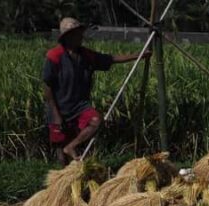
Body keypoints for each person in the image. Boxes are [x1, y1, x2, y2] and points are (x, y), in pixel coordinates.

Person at [43, 18, 150, 165]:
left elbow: (110, 59)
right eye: (77, 34)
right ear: (68, 37)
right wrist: (56, 115)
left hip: (79, 106)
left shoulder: (86, 55)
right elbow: (47, 88)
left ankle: (72, 146)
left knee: (96, 120)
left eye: (81, 33)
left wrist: (138, 55)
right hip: (59, 108)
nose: (81, 36)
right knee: (61, 155)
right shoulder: (54, 56)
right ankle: (65, 179)